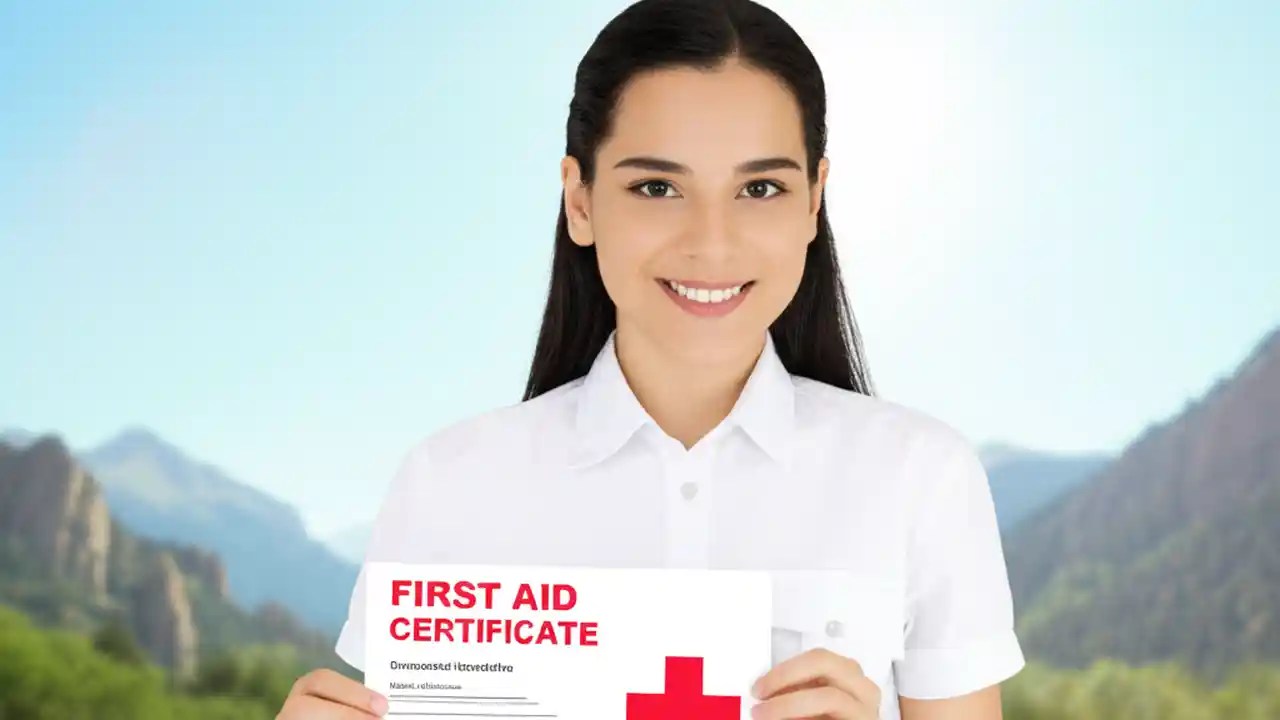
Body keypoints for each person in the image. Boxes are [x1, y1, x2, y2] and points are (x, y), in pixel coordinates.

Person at [277, 0, 1025, 718]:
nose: (712, 242)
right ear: (581, 200)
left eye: (760, 187)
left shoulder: (921, 478)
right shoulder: (449, 486)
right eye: (657, 187)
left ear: (813, 202)